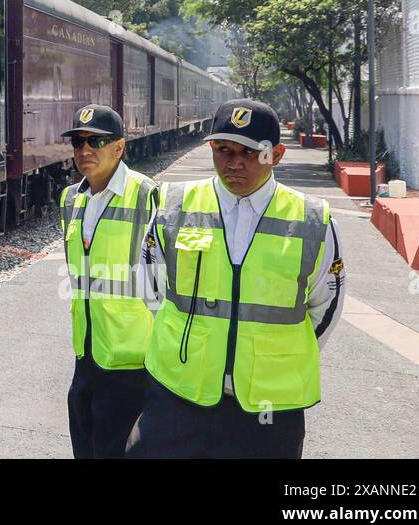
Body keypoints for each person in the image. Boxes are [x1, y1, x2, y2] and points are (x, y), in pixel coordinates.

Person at [126, 98, 345, 458]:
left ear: (276, 154)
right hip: (179, 395)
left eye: (249, 152)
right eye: (223, 150)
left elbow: (327, 307)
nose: (234, 163)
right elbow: (151, 287)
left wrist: (275, 356)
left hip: (268, 407)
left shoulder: (312, 221)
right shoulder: (174, 205)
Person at [59, 104, 159, 458]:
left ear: (119, 147)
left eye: (96, 141)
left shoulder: (147, 196)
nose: (85, 150)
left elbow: (165, 284)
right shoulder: (70, 199)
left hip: (131, 363)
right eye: (78, 142)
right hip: (85, 356)